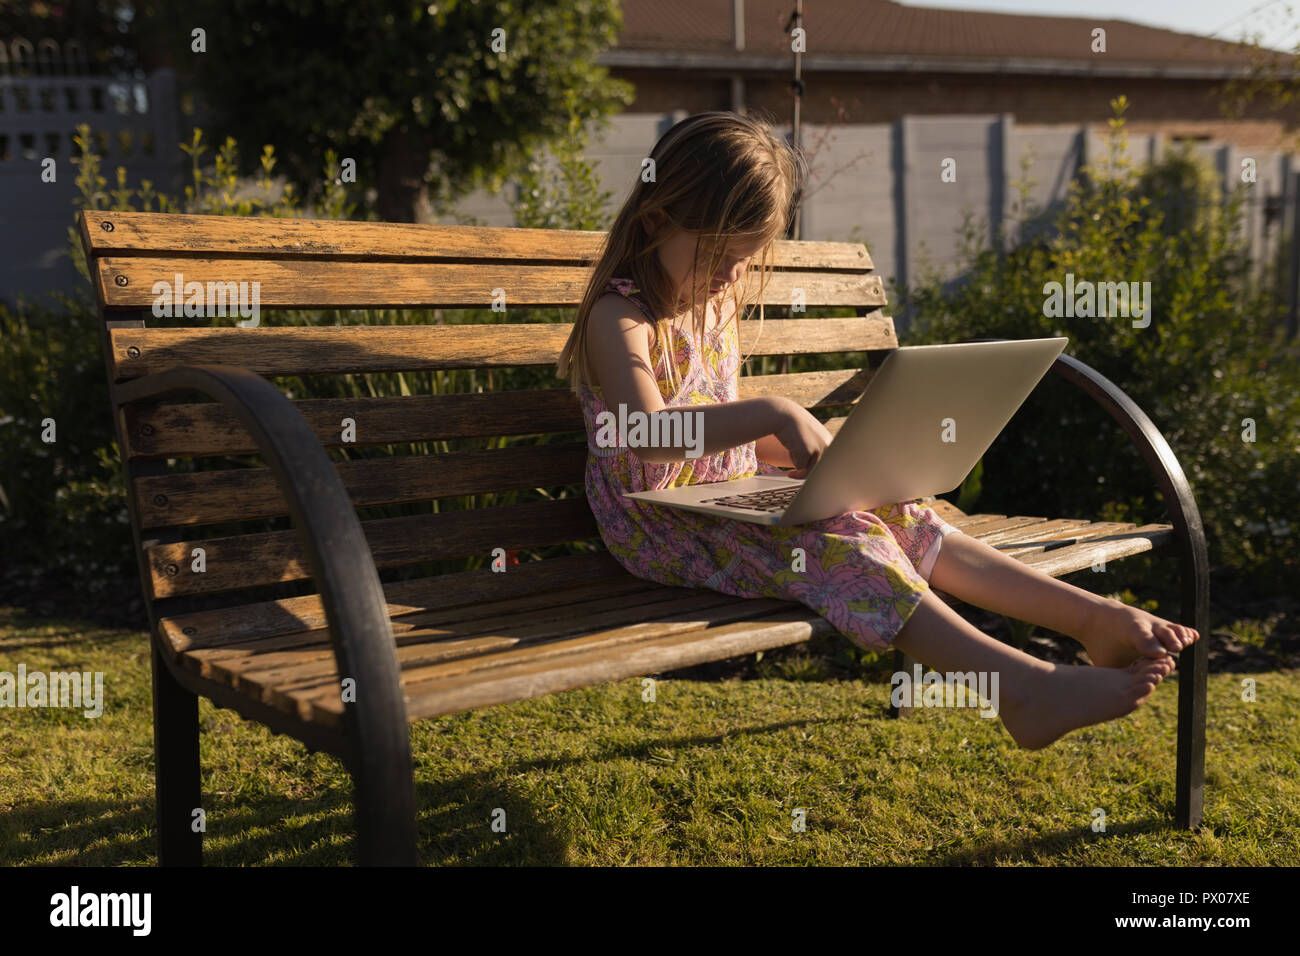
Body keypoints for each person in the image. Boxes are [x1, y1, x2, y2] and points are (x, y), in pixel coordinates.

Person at [555, 110, 1198, 750]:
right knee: (849, 545)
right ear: (656, 219)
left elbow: (714, 431)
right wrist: (778, 412)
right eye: (719, 256)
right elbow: (645, 434)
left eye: (745, 263)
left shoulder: (708, 300)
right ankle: (1019, 689)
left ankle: (1093, 620)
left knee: (902, 512)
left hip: (718, 500)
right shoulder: (621, 316)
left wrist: (830, 450)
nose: (729, 278)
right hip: (655, 527)